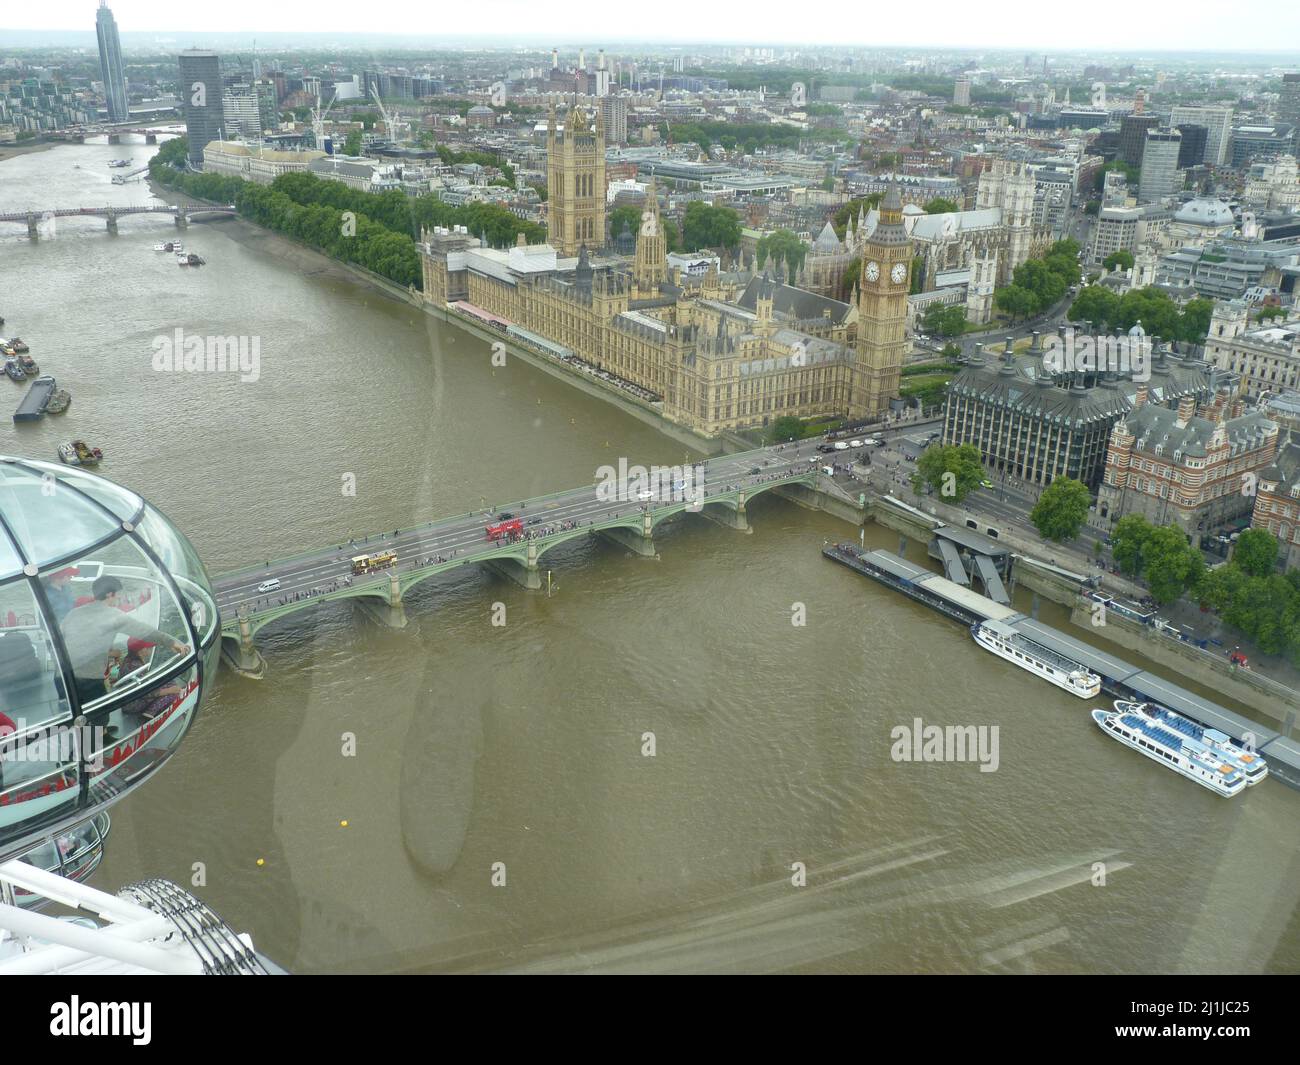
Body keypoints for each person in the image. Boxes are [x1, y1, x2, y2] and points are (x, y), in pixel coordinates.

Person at [58, 576, 189, 709]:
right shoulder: (113, 615)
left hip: (61, 676)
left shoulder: (73, 613)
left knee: (70, 714)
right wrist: (172, 642)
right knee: (98, 719)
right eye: (119, 595)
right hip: (88, 679)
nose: (120, 599)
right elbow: (145, 631)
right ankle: (100, 730)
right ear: (110, 594)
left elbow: (59, 640)